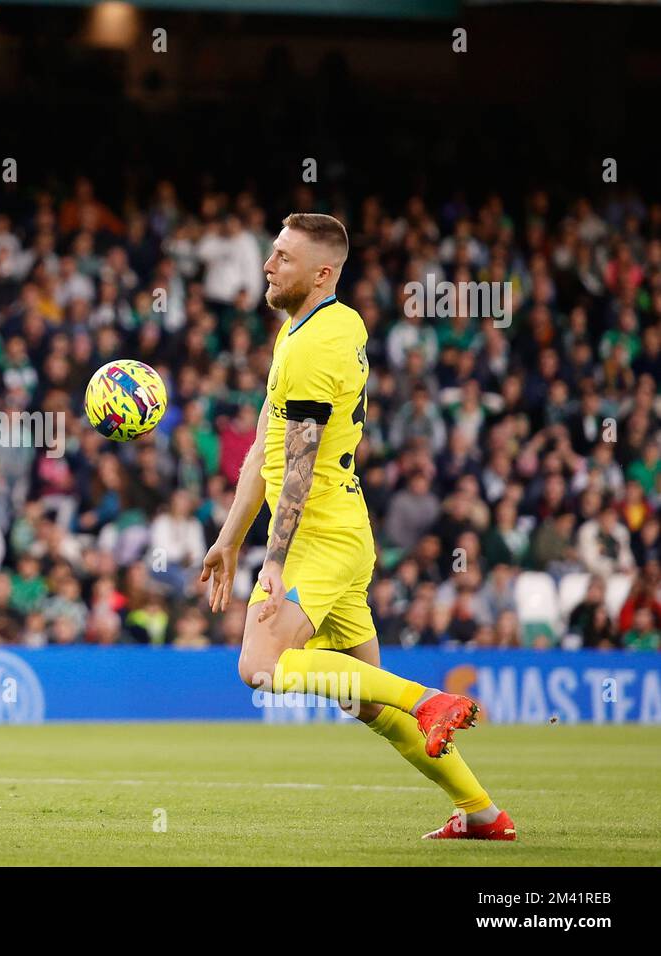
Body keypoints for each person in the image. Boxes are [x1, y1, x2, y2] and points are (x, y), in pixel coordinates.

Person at [200, 213, 515, 842]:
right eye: (272, 252)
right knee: (364, 701)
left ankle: (425, 698)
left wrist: (273, 559)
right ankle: (482, 813)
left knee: (260, 667)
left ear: (322, 272)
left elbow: (295, 467)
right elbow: (266, 439)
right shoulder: (325, 325)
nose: (268, 265)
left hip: (317, 536)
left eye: (283, 257)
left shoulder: (312, 348)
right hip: (345, 528)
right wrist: (228, 538)